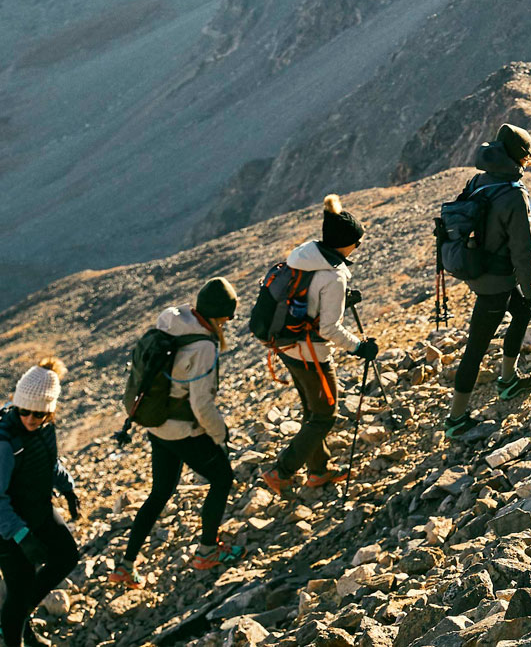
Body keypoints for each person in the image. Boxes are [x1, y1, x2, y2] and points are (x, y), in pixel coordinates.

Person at [107, 280, 244, 588]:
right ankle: (207, 551)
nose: (227, 323)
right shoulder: (204, 347)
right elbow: (201, 404)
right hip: (182, 431)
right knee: (222, 478)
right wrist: (220, 436)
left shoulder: (171, 318)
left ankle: (126, 565)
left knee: (160, 492)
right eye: (227, 317)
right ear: (218, 315)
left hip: (156, 423)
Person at [258, 195, 378, 497]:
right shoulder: (334, 275)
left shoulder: (305, 255)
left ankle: (318, 471)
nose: (357, 246)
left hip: (287, 347)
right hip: (310, 353)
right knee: (325, 414)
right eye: (356, 242)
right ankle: (281, 471)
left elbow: (310, 299)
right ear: (344, 243)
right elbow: (329, 329)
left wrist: (338, 302)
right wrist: (359, 347)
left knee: (312, 410)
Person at [447, 124, 531, 439]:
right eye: (527, 156)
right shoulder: (513, 194)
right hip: (496, 282)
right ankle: (456, 420)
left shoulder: (480, 180)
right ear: (518, 156)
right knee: (476, 347)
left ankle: (509, 380)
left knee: (522, 311)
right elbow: (522, 251)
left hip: (482, 270)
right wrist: (529, 287)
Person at [0, 359, 81, 647]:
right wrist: (22, 536)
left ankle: (20, 616)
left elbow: (49, 461)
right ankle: (13, 630)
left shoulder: (45, 429)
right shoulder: (4, 445)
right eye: (24, 411)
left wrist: (68, 488)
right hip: (6, 527)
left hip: (38, 510)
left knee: (67, 556)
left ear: (49, 411)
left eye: (39, 413)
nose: (30, 419)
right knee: (20, 587)